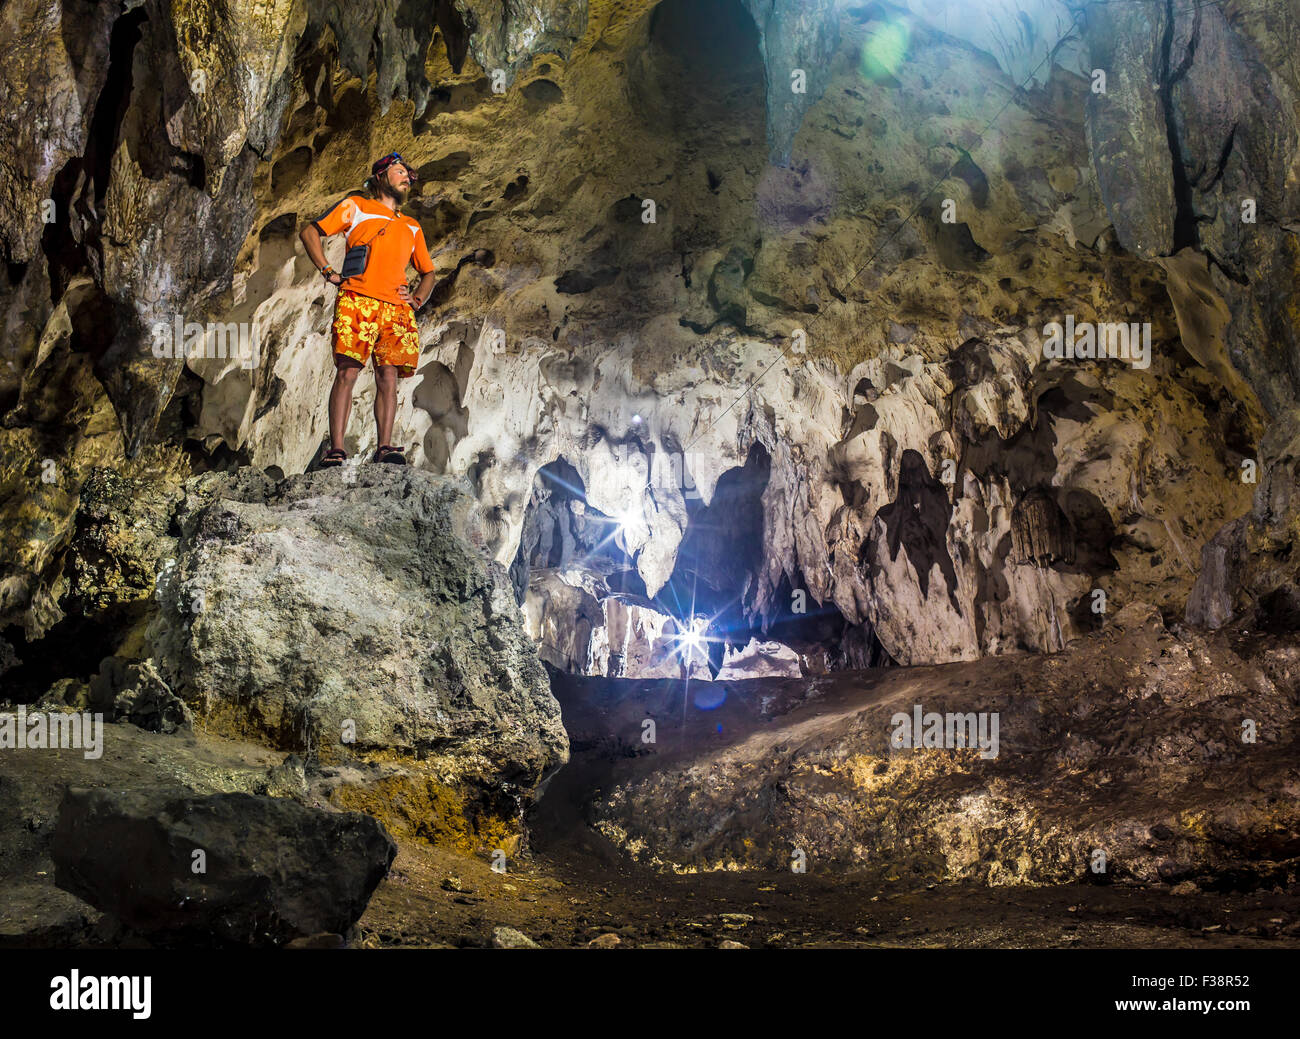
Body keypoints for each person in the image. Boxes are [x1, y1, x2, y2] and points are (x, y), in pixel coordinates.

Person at [299, 152, 437, 466]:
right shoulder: (357, 206)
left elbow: (428, 272)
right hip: (357, 298)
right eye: (399, 171)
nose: (406, 178)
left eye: (408, 175)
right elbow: (310, 232)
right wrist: (328, 272)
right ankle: (336, 449)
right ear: (380, 177)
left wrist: (416, 299)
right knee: (347, 371)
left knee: (388, 376)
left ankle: (385, 447)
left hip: (396, 309)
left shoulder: (412, 226)